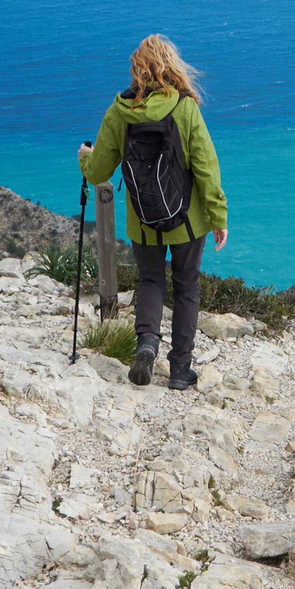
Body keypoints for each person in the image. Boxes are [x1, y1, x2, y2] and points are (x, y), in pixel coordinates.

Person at [79, 35, 228, 389]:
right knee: (187, 286)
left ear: (137, 70)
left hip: (143, 221)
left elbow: (99, 172)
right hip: (188, 221)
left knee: (150, 280)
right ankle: (180, 370)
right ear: (171, 66)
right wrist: (218, 216)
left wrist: (85, 158)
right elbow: (206, 168)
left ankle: (146, 344)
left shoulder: (120, 111)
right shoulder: (185, 108)